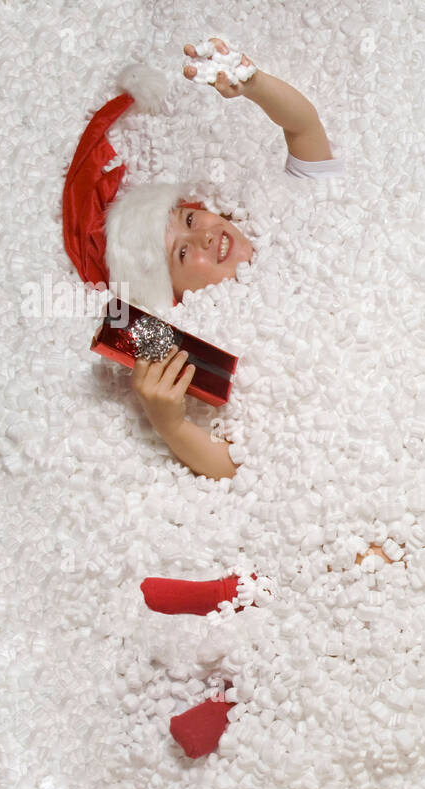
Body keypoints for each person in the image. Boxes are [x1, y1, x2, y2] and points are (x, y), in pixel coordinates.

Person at [62, 40, 341, 479]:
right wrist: (170, 424)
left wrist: (253, 84)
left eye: (191, 218)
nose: (206, 235)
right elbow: (240, 462)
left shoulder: (297, 212)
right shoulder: (230, 344)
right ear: (177, 298)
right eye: (184, 252)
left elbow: (304, 127)